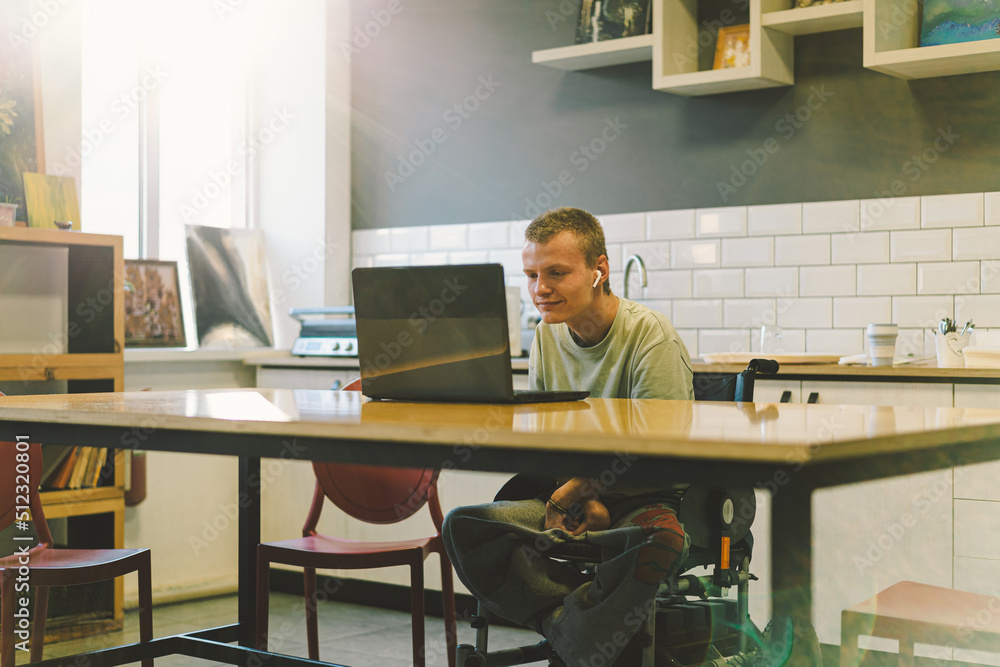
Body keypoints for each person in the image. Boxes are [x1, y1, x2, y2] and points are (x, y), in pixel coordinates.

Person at [442, 207, 695, 666]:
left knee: (662, 541)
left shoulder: (649, 336)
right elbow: (550, 432)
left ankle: (578, 636)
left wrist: (577, 492)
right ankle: (573, 627)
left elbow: (663, 446)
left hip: (644, 493)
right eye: (532, 275)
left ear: (600, 270)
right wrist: (576, 492)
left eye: (556, 273)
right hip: (571, 492)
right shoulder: (547, 334)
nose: (541, 289)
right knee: (466, 527)